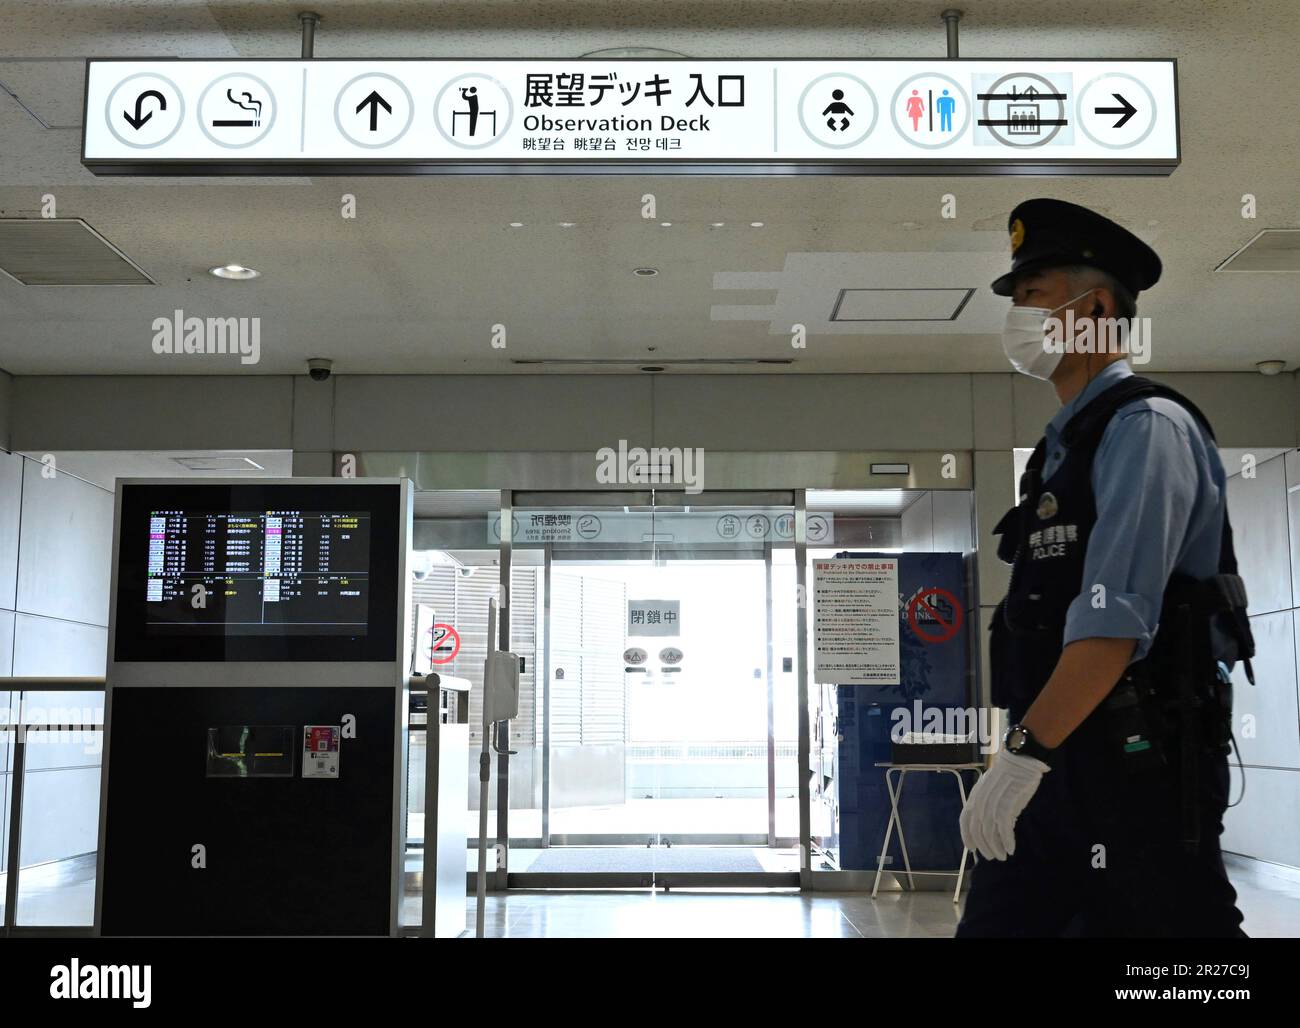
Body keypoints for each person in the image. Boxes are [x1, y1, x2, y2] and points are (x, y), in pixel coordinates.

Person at [955, 198, 1256, 937]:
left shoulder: (1144, 428)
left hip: (1138, 773)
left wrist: (1021, 757)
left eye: (1032, 296)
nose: (1017, 316)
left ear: (1090, 308)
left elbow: (1111, 626)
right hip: (1061, 762)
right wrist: (1028, 756)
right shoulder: (1065, 448)